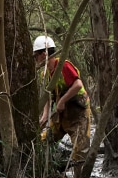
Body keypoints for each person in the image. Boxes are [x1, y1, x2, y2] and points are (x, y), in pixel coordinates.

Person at [34, 35, 91, 167]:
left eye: (35, 56)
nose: (35, 59)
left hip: (79, 114)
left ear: (44, 54)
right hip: (61, 115)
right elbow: (48, 95)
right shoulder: (45, 74)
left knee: (80, 153)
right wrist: (45, 115)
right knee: (44, 141)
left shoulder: (63, 65)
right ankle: (50, 169)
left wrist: (62, 101)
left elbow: (78, 85)